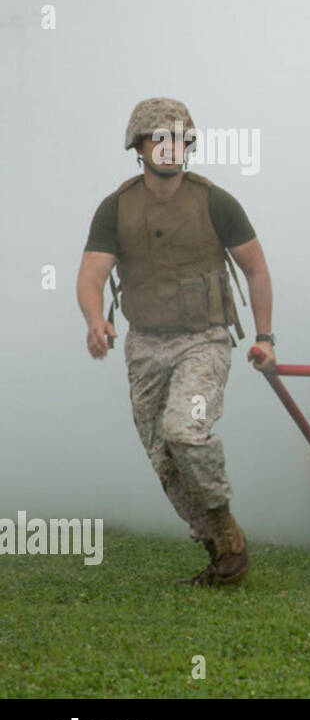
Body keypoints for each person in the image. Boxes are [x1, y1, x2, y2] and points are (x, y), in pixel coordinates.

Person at [76, 97, 276, 587]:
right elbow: (92, 273)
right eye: (158, 139)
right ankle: (220, 554)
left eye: (177, 140)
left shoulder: (215, 201)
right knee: (163, 456)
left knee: (185, 429)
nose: (169, 149)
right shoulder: (116, 207)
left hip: (204, 339)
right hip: (144, 344)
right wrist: (94, 320)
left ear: (188, 145)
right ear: (139, 145)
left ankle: (226, 529)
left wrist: (266, 336)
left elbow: (255, 267)